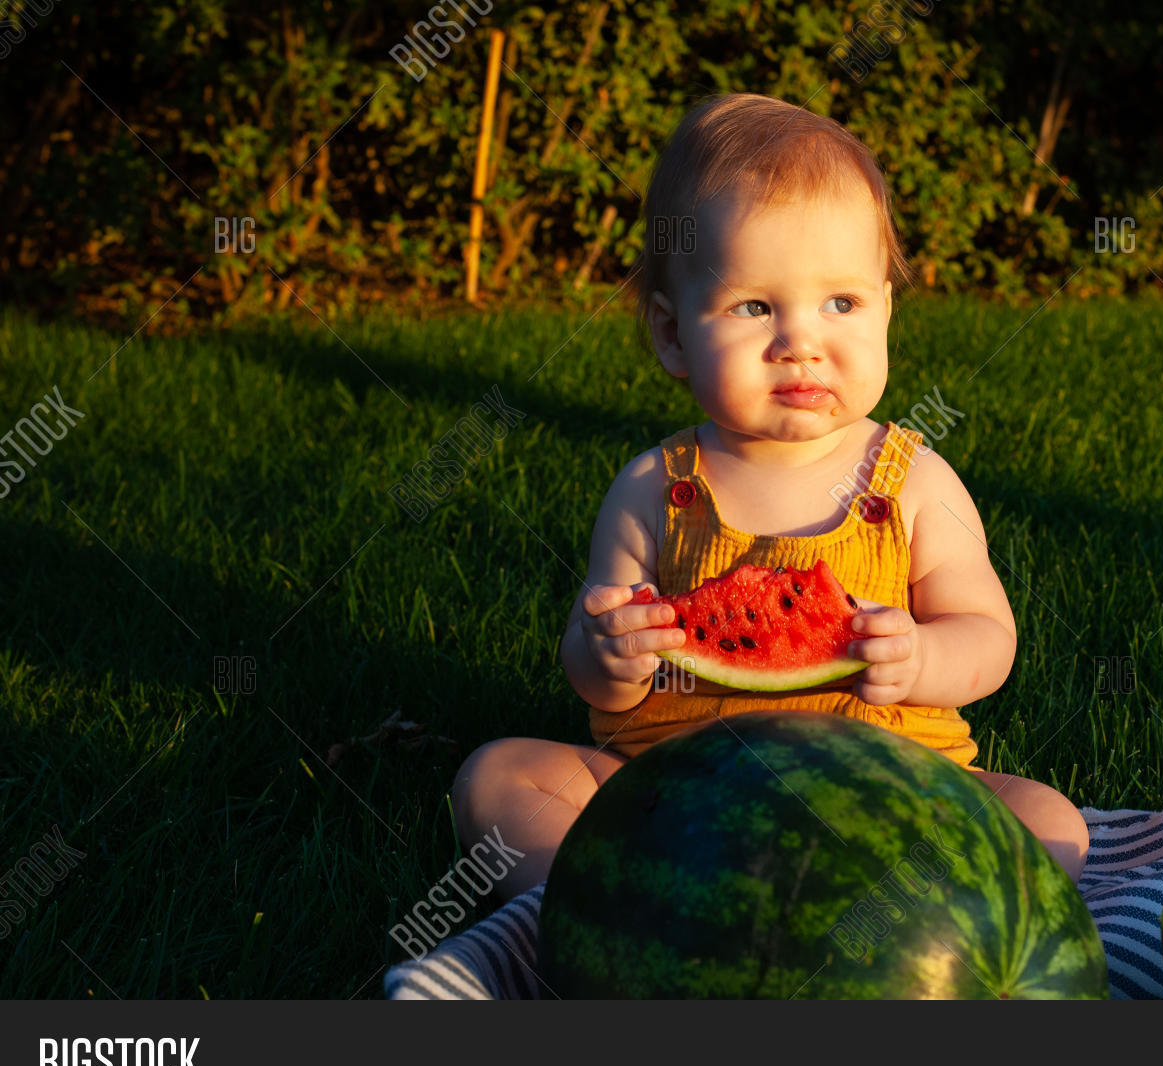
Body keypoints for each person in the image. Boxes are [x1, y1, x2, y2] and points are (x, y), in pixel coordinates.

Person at [453, 92, 1088, 901]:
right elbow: (592, 666)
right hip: (675, 793)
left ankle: (875, 914)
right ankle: (609, 913)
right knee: (498, 778)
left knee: (1049, 820)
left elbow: (989, 637)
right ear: (673, 334)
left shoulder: (916, 481)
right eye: (754, 306)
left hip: (891, 787)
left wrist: (922, 658)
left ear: (886, 310)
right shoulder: (654, 489)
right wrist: (610, 656)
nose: (801, 343)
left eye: (841, 303)